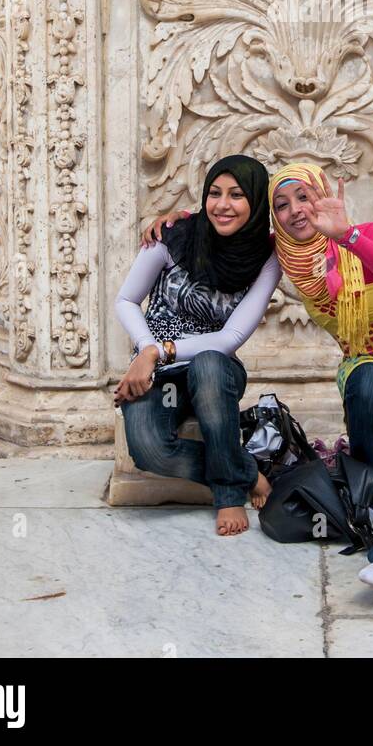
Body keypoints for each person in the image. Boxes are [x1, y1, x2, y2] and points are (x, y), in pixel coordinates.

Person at [144, 160, 373, 591]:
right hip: (367, 358)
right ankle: (370, 494)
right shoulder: (286, 254)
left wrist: (346, 236)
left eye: (305, 196)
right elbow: (230, 227)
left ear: (324, 195)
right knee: (367, 386)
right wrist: (178, 221)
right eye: (281, 204)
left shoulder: (366, 234)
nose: (295, 210)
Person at [115, 155, 281, 536]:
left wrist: (157, 350)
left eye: (237, 195)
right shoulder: (172, 236)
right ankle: (246, 470)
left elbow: (230, 338)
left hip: (214, 369)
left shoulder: (266, 258)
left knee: (207, 363)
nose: (223, 205)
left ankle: (227, 494)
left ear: (256, 203)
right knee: (148, 448)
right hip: (158, 371)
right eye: (214, 193)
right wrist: (145, 348)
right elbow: (126, 300)